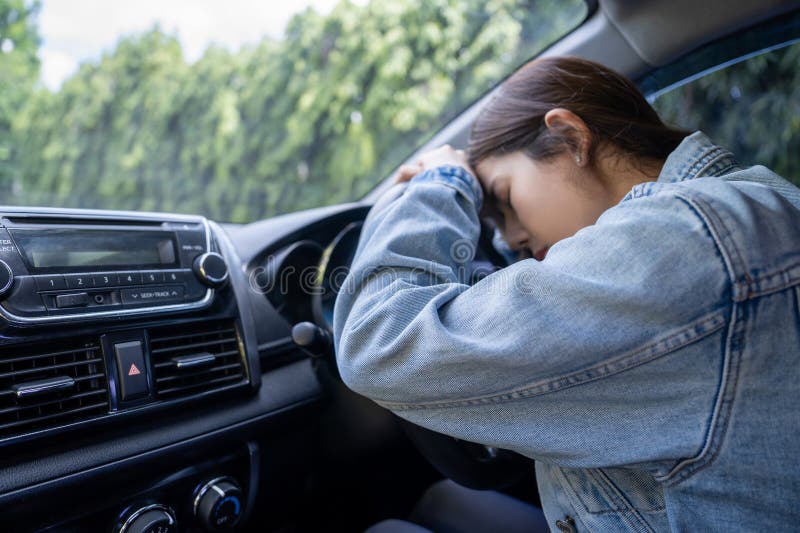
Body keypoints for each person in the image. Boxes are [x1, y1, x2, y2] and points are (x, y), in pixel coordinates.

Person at [333, 56, 800, 532]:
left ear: (571, 138)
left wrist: (442, 182)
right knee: (440, 503)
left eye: (505, 197)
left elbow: (380, 341)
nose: (512, 239)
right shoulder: (750, 201)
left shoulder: (677, 243)